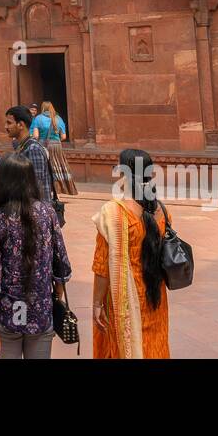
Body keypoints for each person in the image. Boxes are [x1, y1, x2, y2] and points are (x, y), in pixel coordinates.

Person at [0, 153, 71, 359]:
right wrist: (56, 300)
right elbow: (62, 265)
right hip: (40, 310)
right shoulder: (48, 213)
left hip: (7, 311)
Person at [91, 148, 171, 359]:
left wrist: (97, 304)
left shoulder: (114, 214)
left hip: (125, 301)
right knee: (154, 346)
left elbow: (102, 266)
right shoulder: (161, 211)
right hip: (155, 296)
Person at [3, 105, 53, 205]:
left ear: (21, 125)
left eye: (9, 123)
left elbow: (36, 185)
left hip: (35, 211)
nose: (6, 126)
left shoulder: (33, 148)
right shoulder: (22, 146)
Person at [33, 101, 78, 196]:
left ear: (42, 108)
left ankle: (45, 189)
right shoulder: (58, 119)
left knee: (44, 168)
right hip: (56, 145)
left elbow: (36, 136)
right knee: (58, 167)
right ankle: (60, 188)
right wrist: (56, 141)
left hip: (43, 145)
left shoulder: (38, 118)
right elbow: (64, 136)